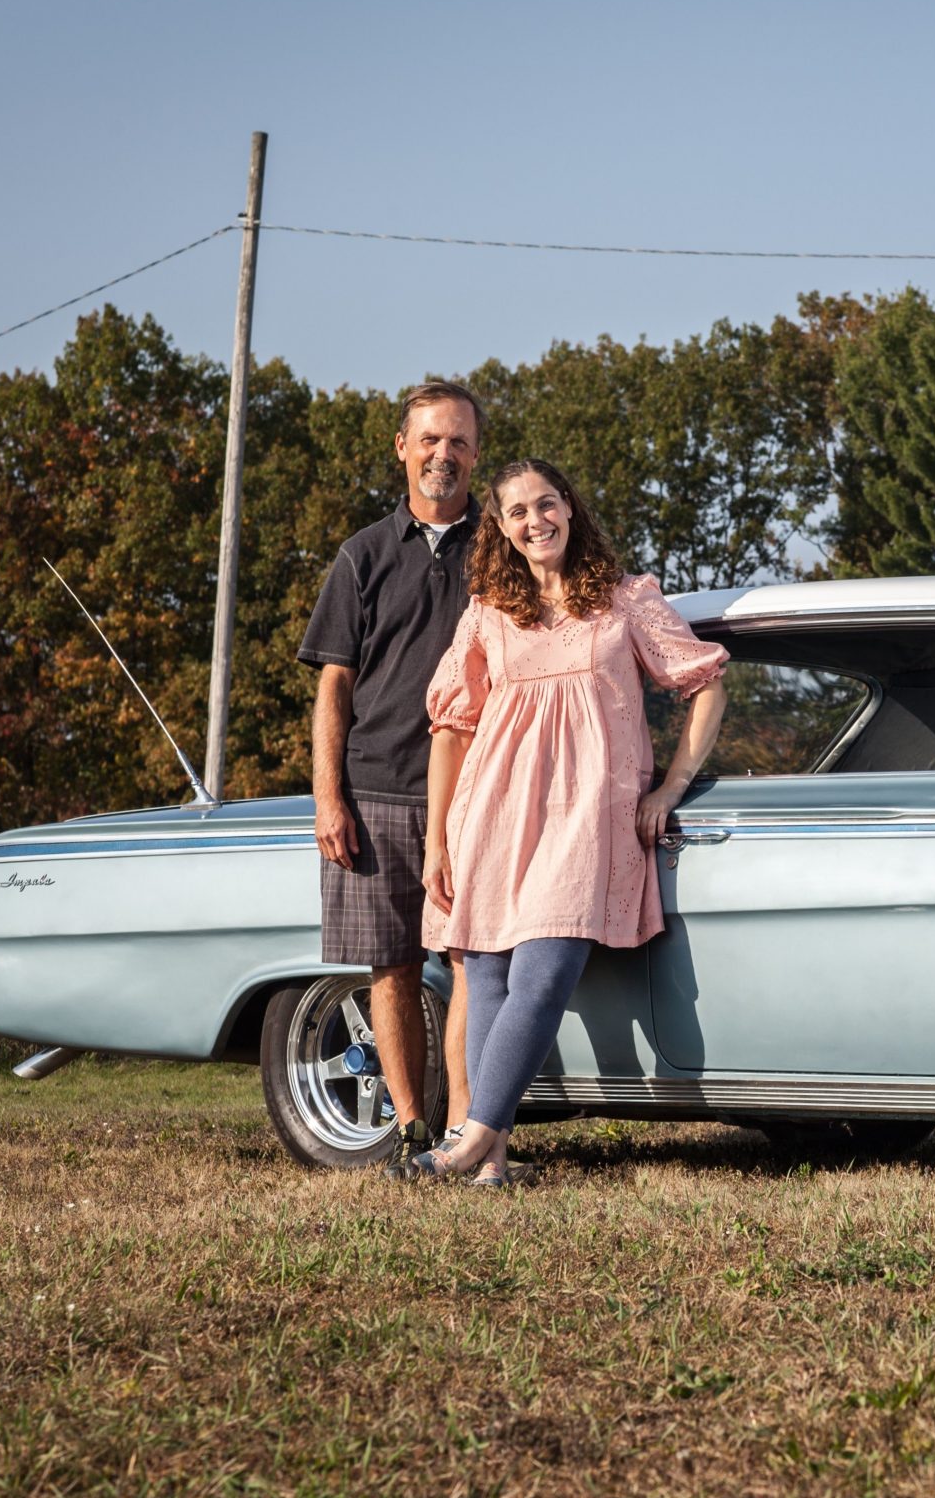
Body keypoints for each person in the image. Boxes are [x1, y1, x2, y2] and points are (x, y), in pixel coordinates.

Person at [409, 458, 727, 1185]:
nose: (535, 520)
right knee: (486, 973)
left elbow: (705, 682)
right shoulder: (489, 610)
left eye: (546, 503)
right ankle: (490, 1162)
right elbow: (452, 728)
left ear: (570, 508)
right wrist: (437, 840)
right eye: (517, 511)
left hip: (588, 815)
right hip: (491, 811)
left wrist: (669, 787)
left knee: (544, 977)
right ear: (502, 527)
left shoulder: (626, 602)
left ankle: (466, 1142)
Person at [298, 380, 483, 1172]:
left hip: (480, 795)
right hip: (375, 794)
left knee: (478, 964)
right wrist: (329, 796)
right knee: (394, 968)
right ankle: (411, 1130)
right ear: (402, 448)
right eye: (431, 440)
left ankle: (468, 1135)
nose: (445, 454)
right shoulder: (361, 556)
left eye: (461, 442)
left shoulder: (503, 553)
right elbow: (334, 687)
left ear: (477, 455)